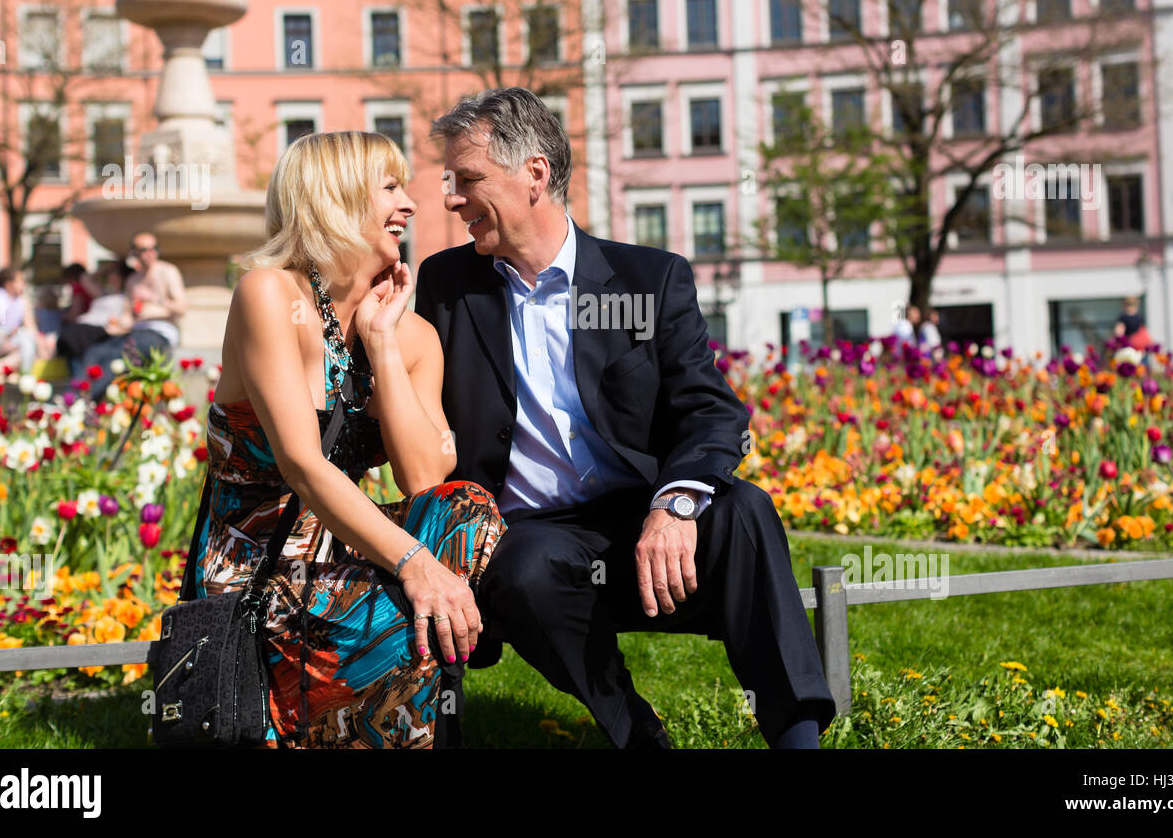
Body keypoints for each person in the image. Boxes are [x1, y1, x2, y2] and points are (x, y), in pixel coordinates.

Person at [415, 87, 836, 749]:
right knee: (523, 569)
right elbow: (411, 413)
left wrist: (674, 506)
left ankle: (797, 738)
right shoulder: (445, 285)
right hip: (532, 538)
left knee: (745, 511)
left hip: (645, 520)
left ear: (534, 175)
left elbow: (710, 410)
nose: (451, 198)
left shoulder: (648, 281)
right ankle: (638, 734)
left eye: (468, 179)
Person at [189, 130, 504, 748]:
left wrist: (383, 344)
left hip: (346, 555)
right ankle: (377, 719)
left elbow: (424, 480)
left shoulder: (410, 336)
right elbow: (303, 466)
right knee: (408, 595)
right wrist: (416, 566)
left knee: (466, 506)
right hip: (256, 569)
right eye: (390, 187)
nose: (410, 205)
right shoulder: (269, 293)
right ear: (334, 196)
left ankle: (359, 715)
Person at [79, 232, 187, 398]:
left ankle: (87, 399)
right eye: (144, 249)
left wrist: (154, 299)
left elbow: (181, 307)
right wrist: (117, 326)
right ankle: (74, 395)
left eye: (154, 248)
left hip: (160, 331)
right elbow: (129, 316)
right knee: (95, 351)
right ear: (134, 253)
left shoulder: (167, 271)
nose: (150, 253)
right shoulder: (133, 281)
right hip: (136, 331)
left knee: (123, 353)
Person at [0, 266, 56, 376]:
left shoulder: (23, 301)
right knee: (26, 342)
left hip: (17, 342)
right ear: (9, 284)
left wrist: (43, 343)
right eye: (20, 281)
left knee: (30, 342)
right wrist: (9, 334)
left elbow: (31, 328)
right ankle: (26, 375)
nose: (23, 284)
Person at [56, 260, 135, 364]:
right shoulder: (103, 294)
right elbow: (84, 278)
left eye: (113, 271)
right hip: (83, 329)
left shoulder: (126, 297)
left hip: (99, 331)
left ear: (122, 275)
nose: (109, 274)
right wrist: (106, 267)